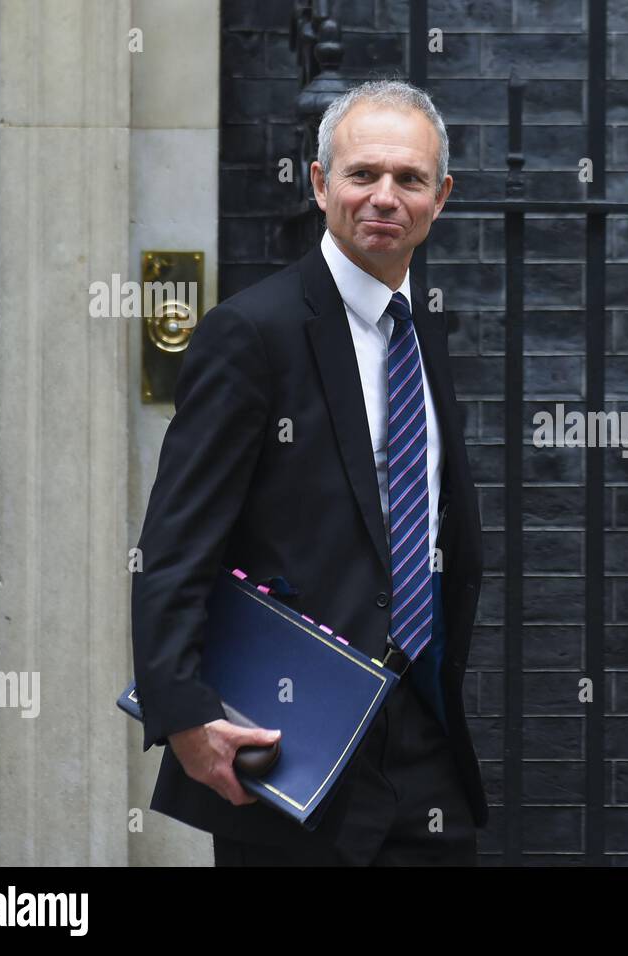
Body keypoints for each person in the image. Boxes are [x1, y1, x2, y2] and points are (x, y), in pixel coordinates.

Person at [129, 79, 486, 865]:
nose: (384, 196)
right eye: (362, 175)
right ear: (321, 184)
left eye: (409, 179)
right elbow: (176, 543)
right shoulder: (250, 333)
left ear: (442, 196)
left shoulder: (421, 331)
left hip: (423, 745)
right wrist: (183, 713)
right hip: (292, 750)